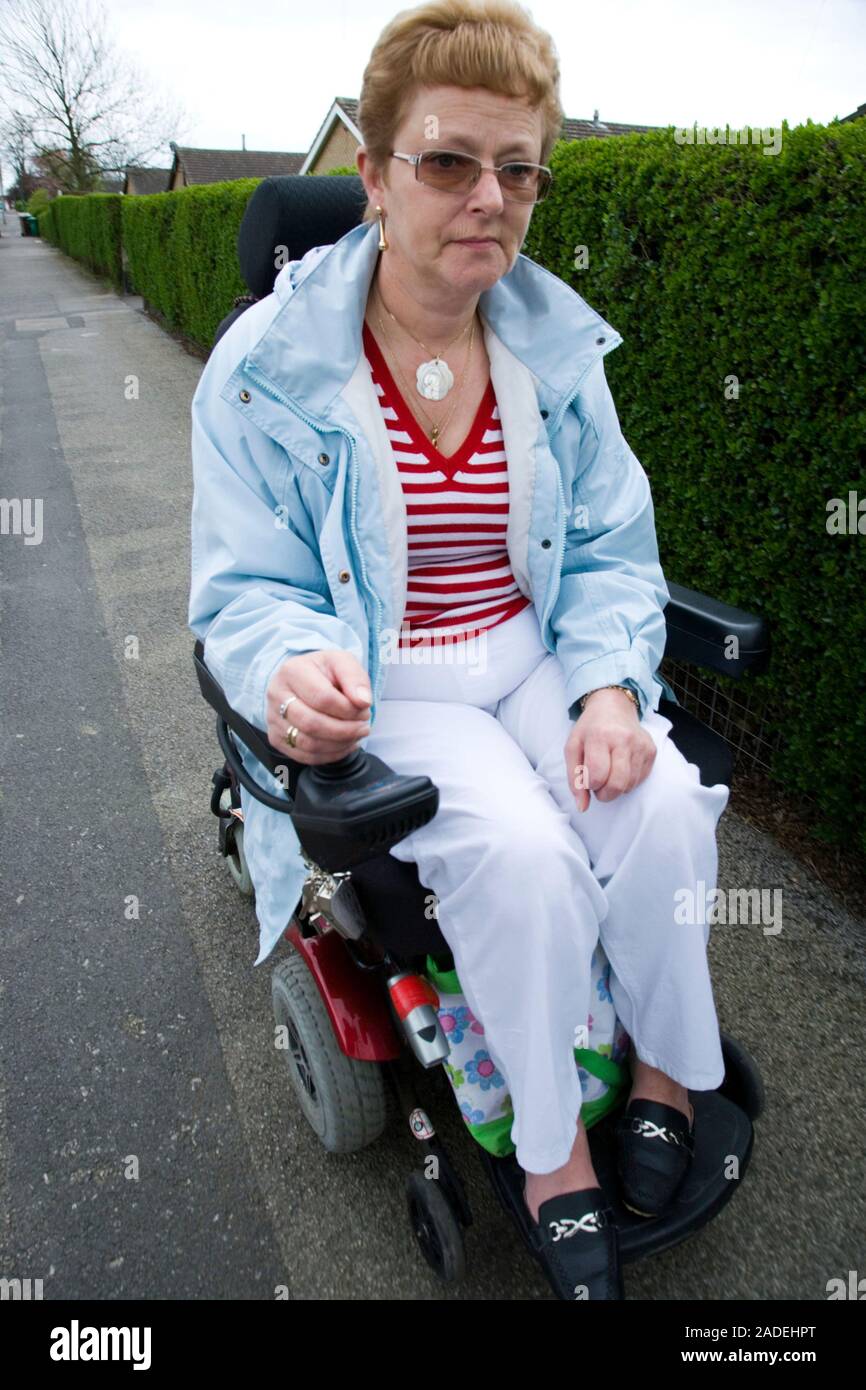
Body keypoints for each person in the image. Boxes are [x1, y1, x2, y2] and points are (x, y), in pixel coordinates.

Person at [188, 0, 730, 1299]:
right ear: (370, 175)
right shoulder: (266, 369)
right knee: (524, 858)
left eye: (518, 167)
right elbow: (246, 586)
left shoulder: (552, 349)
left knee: (657, 801)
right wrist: (285, 674)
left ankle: (664, 1071)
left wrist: (603, 682)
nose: (490, 196)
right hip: (395, 676)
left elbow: (608, 543)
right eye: (448, 161)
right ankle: (552, 1157)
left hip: (534, 647)